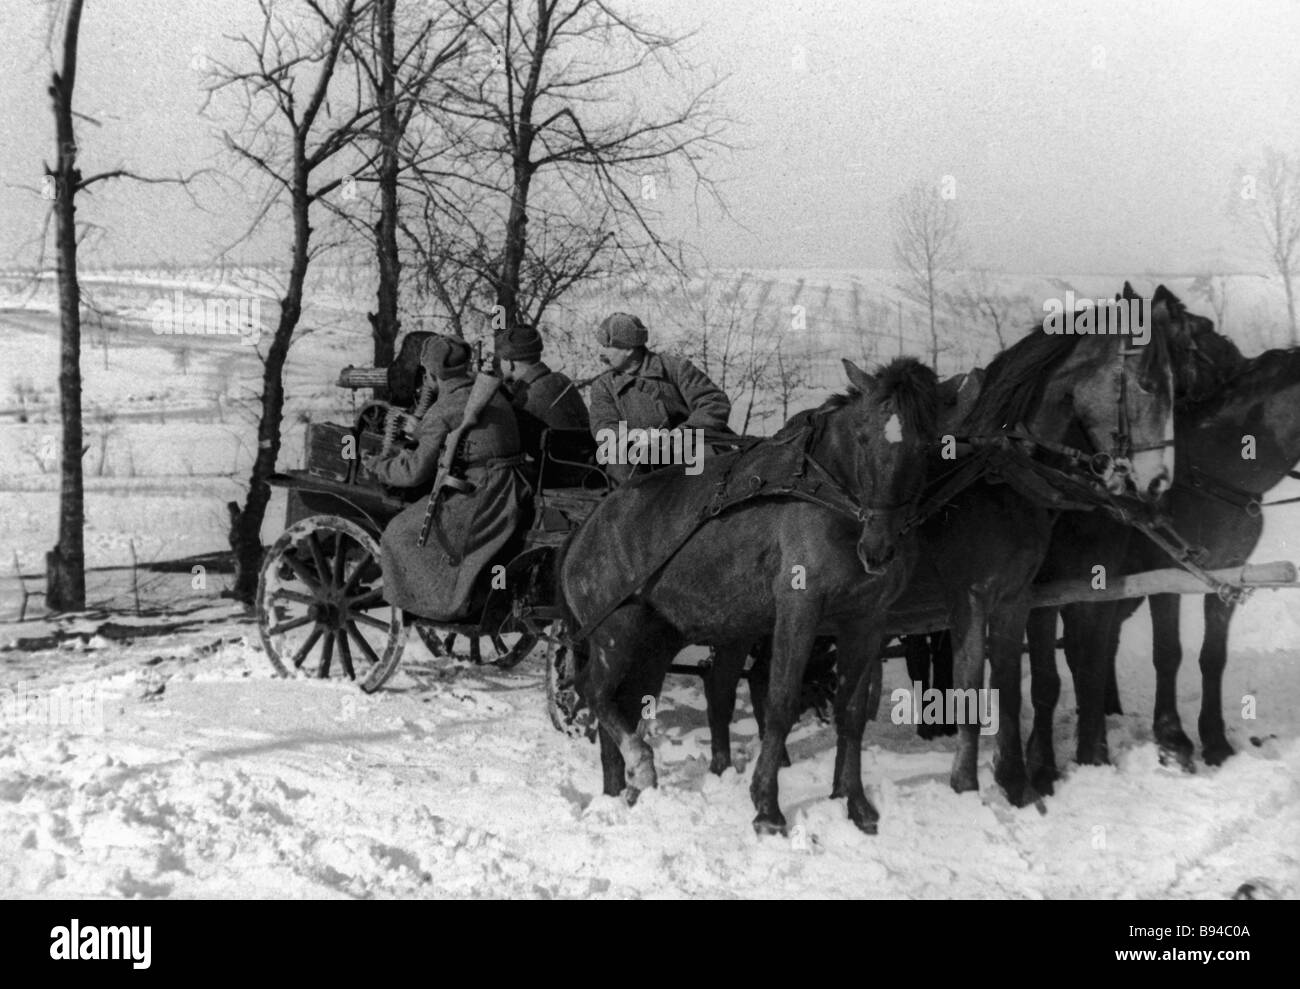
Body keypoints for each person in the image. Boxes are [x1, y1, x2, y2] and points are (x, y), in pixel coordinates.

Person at [362, 336, 528, 621]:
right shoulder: (490, 392)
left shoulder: (443, 409)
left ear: (430, 375)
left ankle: (432, 604)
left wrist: (379, 465)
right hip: (511, 486)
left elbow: (414, 473)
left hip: (480, 495)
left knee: (398, 533)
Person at [587, 312, 733, 482]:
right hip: (643, 459)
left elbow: (713, 402)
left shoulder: (676, 368)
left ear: (628, 349)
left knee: (713, 464)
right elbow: (604, 428)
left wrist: (683, 433)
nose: (601, 352)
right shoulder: (604, 386)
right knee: (619, 467)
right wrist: (637, 437)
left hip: (689, 449)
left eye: (606, 346)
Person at [495, 323, 590, 464]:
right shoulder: (562, 381)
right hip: (587, 469)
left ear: (509, 363)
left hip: (549, 476)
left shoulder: (523, 399)